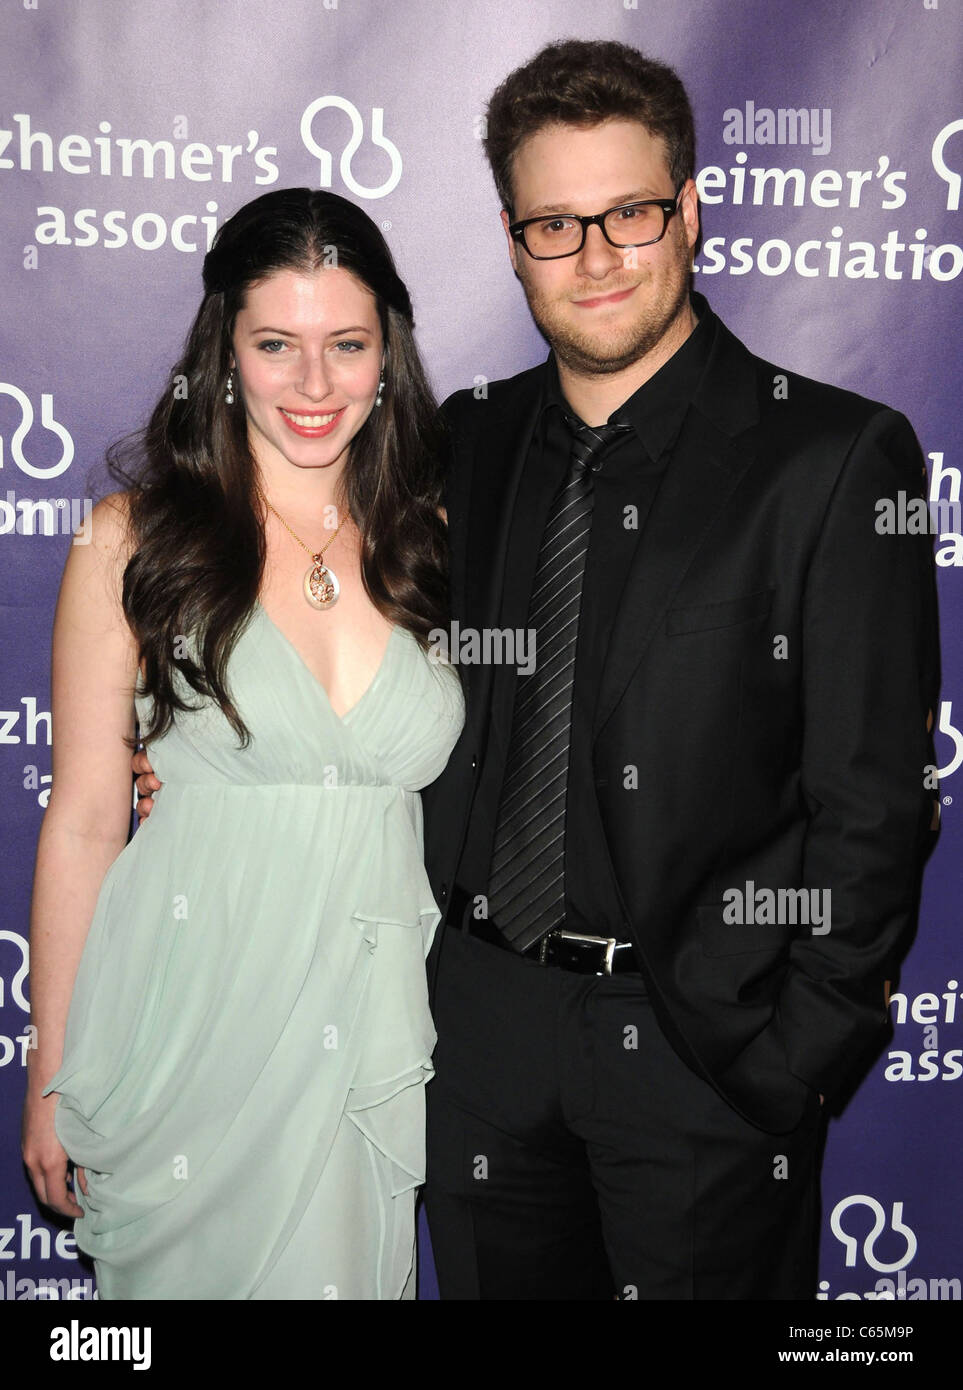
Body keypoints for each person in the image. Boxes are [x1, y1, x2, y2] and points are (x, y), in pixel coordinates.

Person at [136, 41, 940, 1300]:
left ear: (690, 212)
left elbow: (876, 803)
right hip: (475, 1042)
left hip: (704, 1058)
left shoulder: (831, 458)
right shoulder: (465, 444)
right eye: (556, 224)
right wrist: (180, 760)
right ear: (513, 242)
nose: (599, 256)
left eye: (630, 212)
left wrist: (791, 1059)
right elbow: (307, 602)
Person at [21, 187, 464, 1300]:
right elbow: (82, 819)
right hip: (190, 1020)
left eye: (346, 346)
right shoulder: (132, 539)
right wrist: (50, 1068)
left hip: (363, 1034)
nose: (315, 386)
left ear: (387, 353)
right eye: (277, 345)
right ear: (224, 352)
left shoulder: (435, 536)